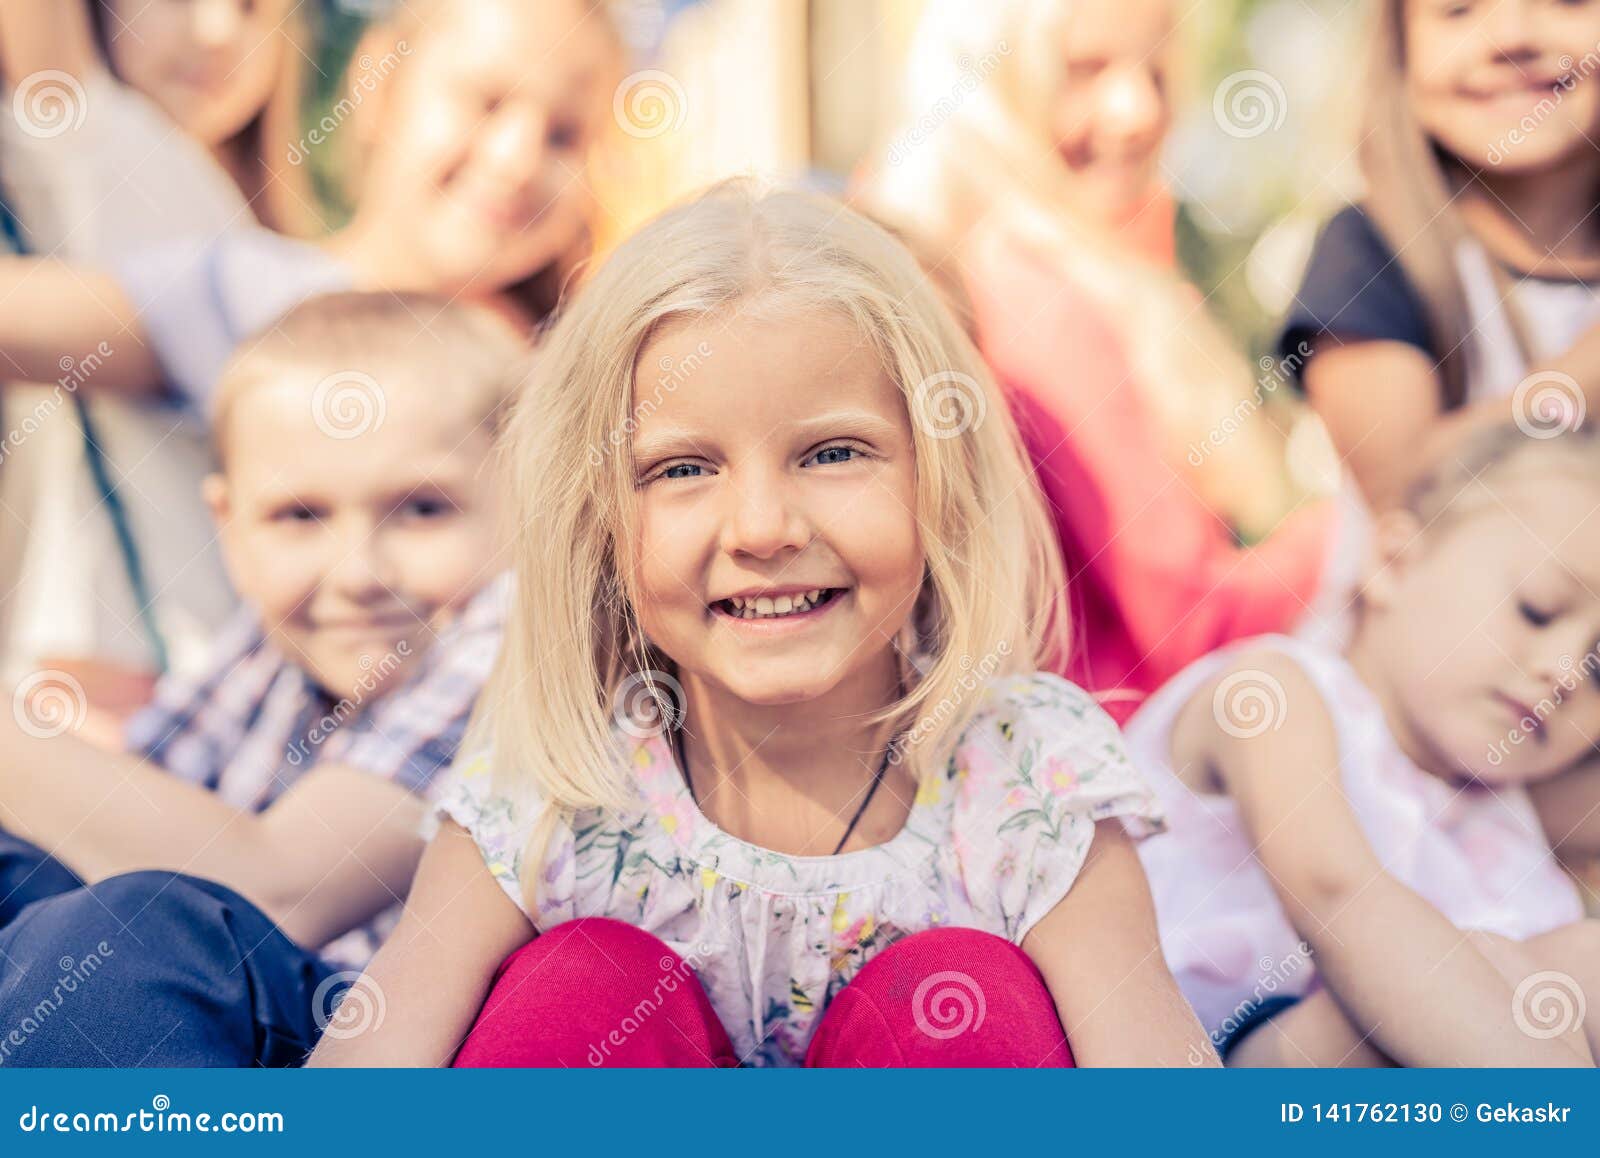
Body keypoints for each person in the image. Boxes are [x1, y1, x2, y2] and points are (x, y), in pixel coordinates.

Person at [307, 183, 1213, 1070]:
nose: (762, 528)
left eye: (832, 453)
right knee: (581, 987)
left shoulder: (1027, 775)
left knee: (957, 998)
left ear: (942, 479)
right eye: (682, 468)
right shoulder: (556, 782)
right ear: (597, 518)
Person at [0, 293, 522, 1066]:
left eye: (421, 508)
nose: (356, 574)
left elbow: (278, 888)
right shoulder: (282, 636)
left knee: (134, 933)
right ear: (230, 528)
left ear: (524, 504)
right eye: (299, 516)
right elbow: (126, 816)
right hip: (229, 1010)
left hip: (364, 1041)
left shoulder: (507, 643)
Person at [861, 0, 1334, 722]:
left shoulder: (985, 261)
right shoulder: (1028, 292)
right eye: (1084, 70)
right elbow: (1190, 620)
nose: (1137, 109)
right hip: (1106, 769)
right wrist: (1367, 527)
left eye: (1156, 68)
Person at [1126, 423, 1600, 1066]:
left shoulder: (1517, 838)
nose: (1565, 670)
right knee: (1497, 972)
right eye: (1538, 610)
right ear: (1395, 562)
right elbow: (1335, 893)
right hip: (1197, 1058)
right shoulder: (1278, 695)